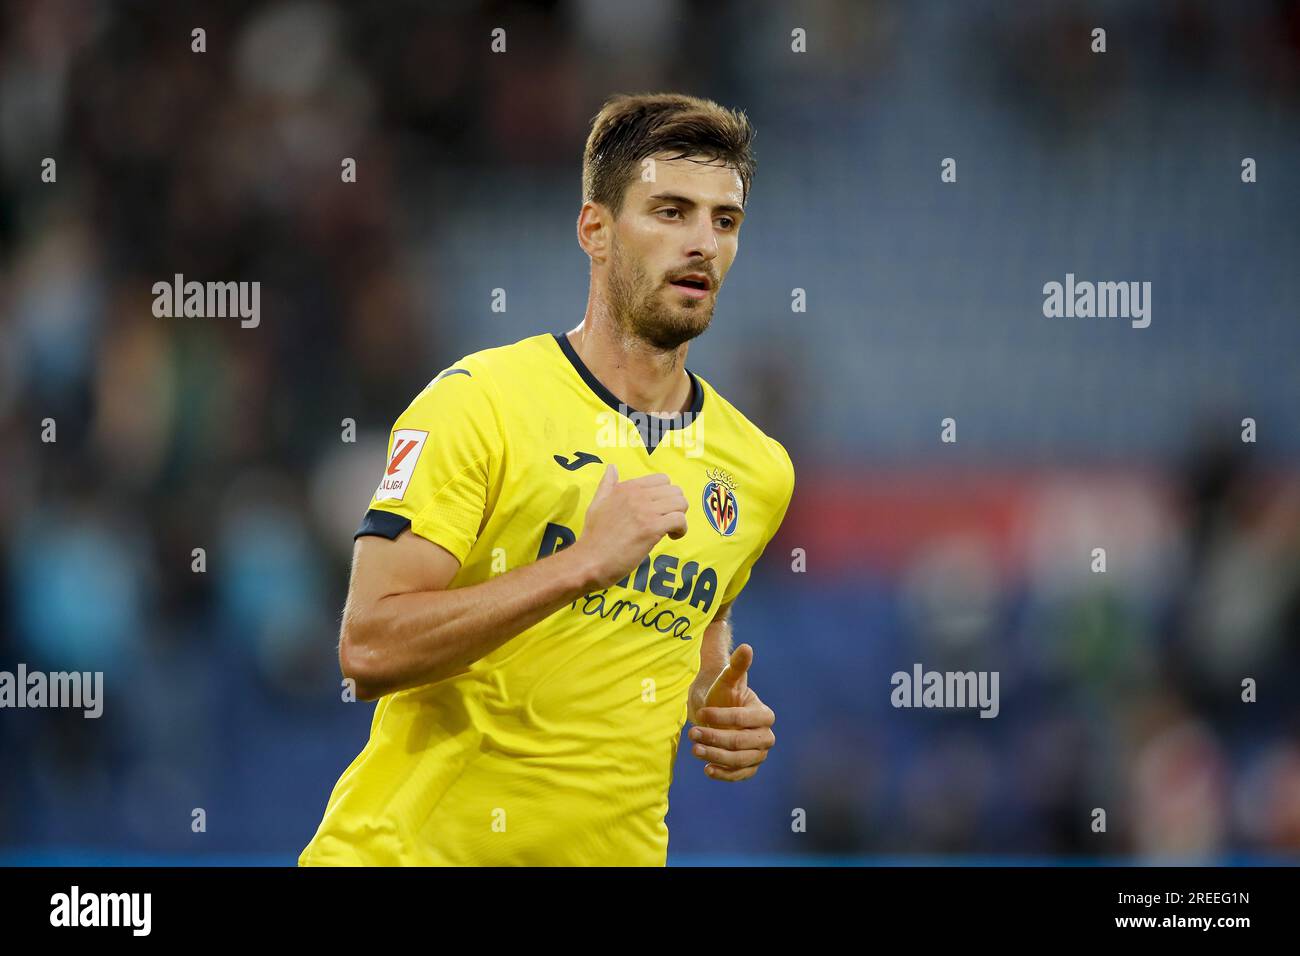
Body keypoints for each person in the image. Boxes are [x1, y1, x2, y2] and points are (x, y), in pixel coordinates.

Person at [299, 92, 795, 866]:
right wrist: (581, 565)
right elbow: (368, 648)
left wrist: (711, 703)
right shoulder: (479, 403)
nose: (702, 242)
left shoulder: (758, 470)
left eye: (723, 221)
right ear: (595, 230)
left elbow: (697, 621)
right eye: (670, 212)